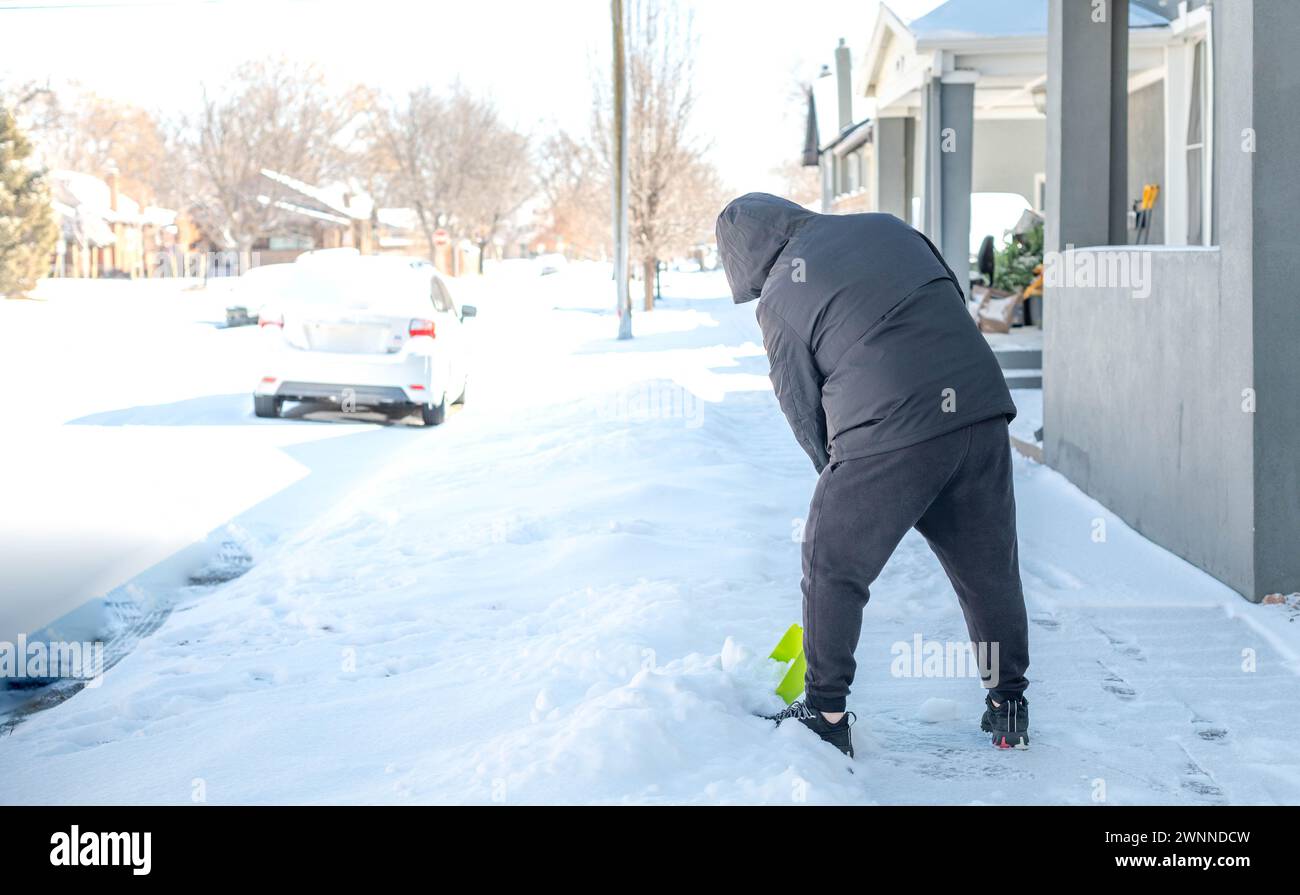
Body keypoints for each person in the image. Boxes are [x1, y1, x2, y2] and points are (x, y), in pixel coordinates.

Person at [715, 193, 1031, 756]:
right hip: (980, 409)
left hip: (890, 430)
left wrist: (836, 475)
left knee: (831, 563)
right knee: (990, 569)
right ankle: (1008, 702)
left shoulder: (781, 296)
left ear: (747, 260)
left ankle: (825, 711)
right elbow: (949, 297)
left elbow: (798, 399)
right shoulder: (887, 226)